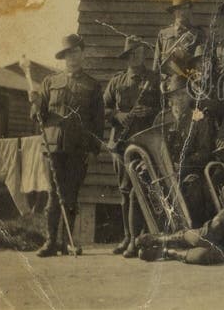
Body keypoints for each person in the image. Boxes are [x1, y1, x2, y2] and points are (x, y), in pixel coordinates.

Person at [29, 34, 104, 257]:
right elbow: (39, 116)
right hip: (53, 147)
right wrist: (35, 105)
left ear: (82, 53)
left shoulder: (92, 86)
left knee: (71, 195)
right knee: (54, 195)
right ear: (63, 57)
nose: (72, 57)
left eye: (75, 52)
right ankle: (51, 241)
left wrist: (94, 150)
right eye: (67, 54)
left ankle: (67, 242)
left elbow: (98, 122)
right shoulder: (49, 82)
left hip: (78, 149)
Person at [103, 36, 161, 257]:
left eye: (138, 53)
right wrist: (120, 115)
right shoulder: (117, 81)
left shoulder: (155, 79)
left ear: (144, 55)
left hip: (145, 143)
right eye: (131, 54)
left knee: (144, 189)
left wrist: (151, 112)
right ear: (126, 58)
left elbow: (166, 107)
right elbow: (103, 109)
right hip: (121, 143)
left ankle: (143, 237)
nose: (135, 57)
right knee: (125, 191)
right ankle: (128, 237)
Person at [151, 74, 217, 228]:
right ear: (170, 98)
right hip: (163, 171)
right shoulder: (161, 118)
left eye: (183, 94)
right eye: (175, 95)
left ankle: (193, 230)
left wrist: (182, 165)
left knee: (193, 189)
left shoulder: (199, 117)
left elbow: (205, 152)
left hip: (189, 171)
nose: (179, 98)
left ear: (190, 95)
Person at [153, 0, 206, 80]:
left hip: (189, 81)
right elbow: (157, 62)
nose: (182, 12)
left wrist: (185, 56)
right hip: (166, 81)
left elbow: (201, 62)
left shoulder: (198, 33)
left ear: (189, 11)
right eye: (179, 9)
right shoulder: (164, 33)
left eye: (185, 9)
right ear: (174, 11)